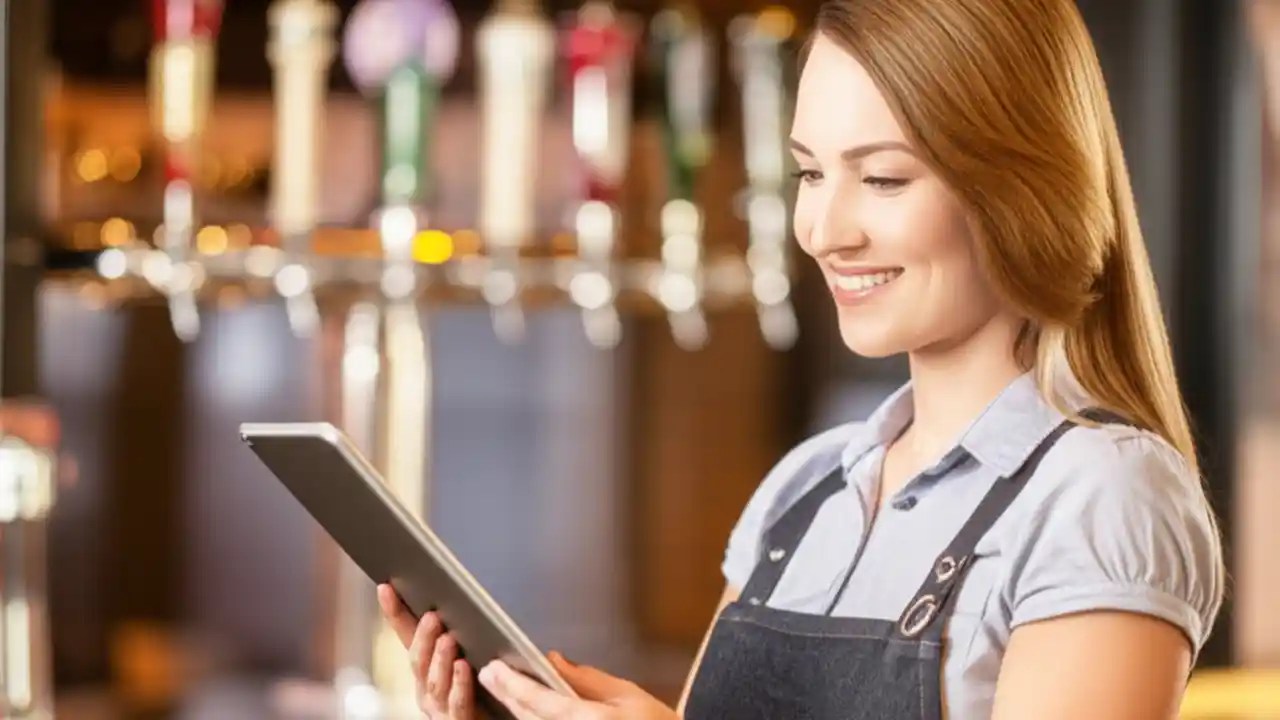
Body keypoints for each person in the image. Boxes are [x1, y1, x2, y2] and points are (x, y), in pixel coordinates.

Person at [376, 0, 1225, 716]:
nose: (824, 231)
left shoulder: (1102, 496)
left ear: (1022, 190)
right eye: (811, 175)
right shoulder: (806, 490)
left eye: (884, 179)